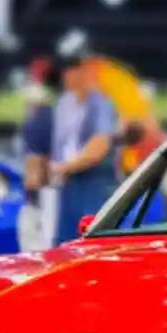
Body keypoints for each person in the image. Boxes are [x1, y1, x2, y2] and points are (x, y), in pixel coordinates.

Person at [47, 56, 120, 242]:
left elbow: (100, 145)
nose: (67, 76)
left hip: (95, 182)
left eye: (72, 70)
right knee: (65, 241)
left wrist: (66, 166)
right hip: (67, 183)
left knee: (94, 238)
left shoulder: (101, 104)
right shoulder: (64, 104)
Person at [19, 61, 59, 251]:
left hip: (41, 197)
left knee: (35, 249)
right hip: (54, 192)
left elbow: (36, 161)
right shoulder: (54, 115)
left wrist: (31, 192)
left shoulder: (38, 120)